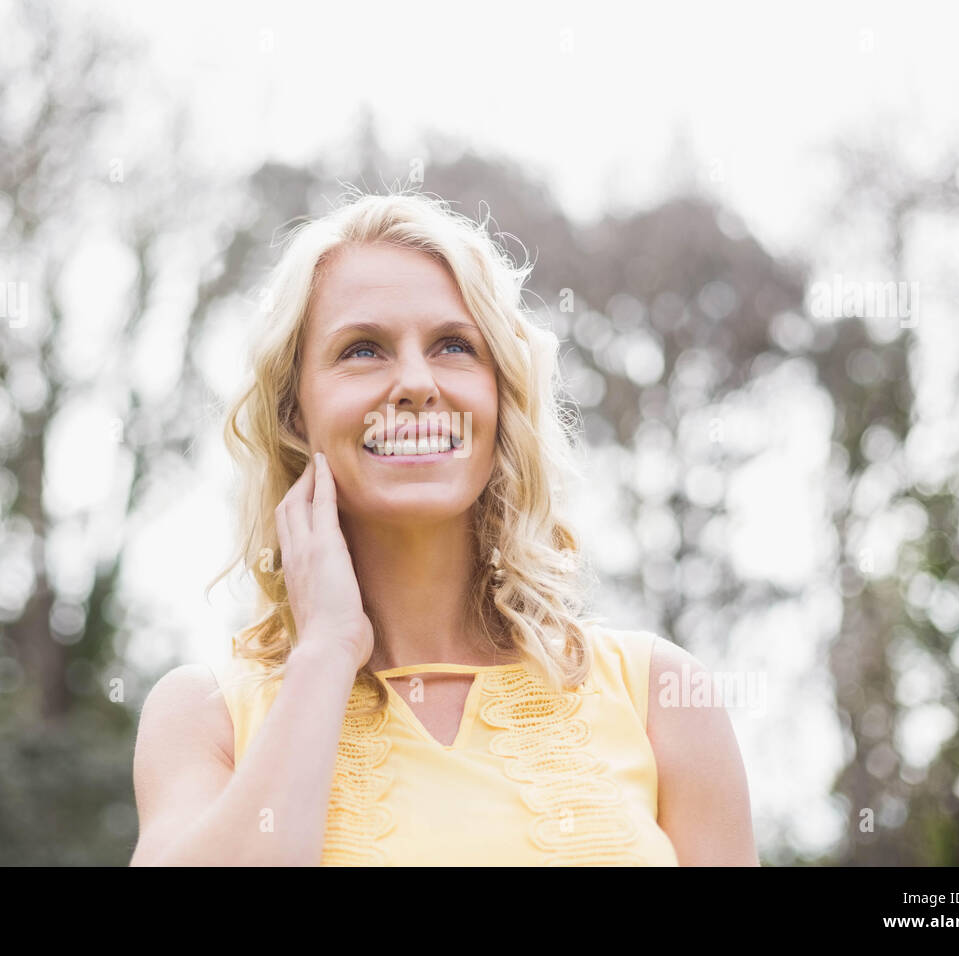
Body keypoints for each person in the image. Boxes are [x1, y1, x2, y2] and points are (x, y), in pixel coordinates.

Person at [130, 188, 758, 866]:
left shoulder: (662, 696)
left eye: (454, 345)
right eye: (363, 350)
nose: (416, 383)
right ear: (295, 415)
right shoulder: (203, 716)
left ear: (501, 395)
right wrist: (327, 650)